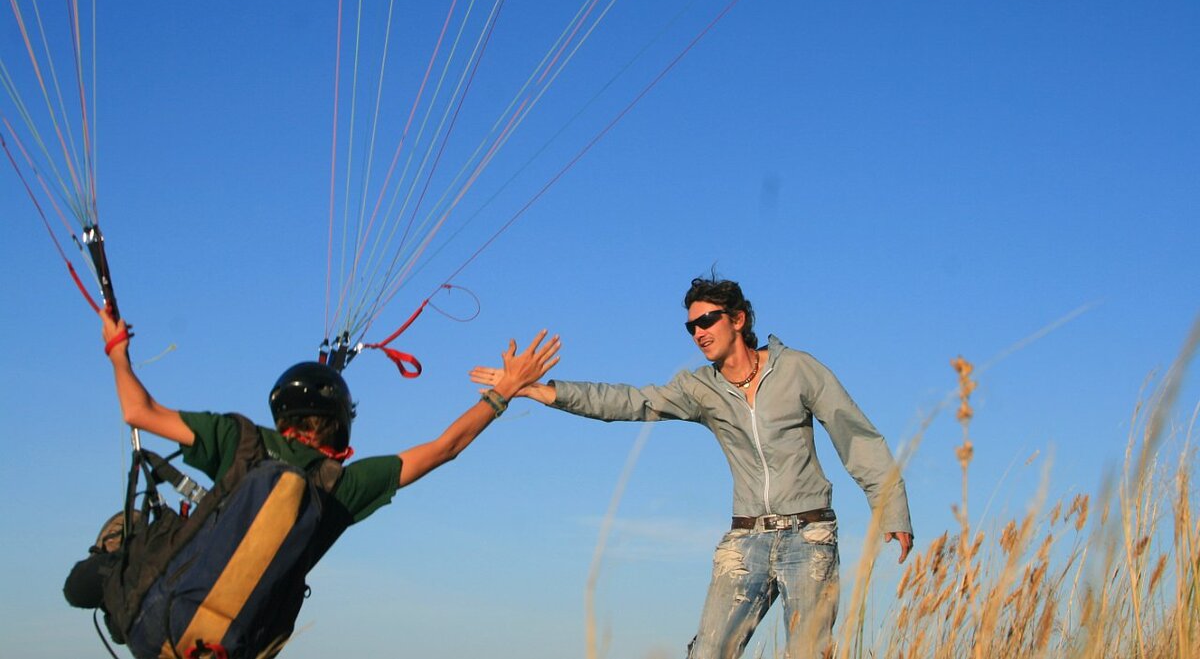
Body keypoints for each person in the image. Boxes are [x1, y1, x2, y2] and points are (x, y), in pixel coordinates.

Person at [470, 276, 912, 659]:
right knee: (708, 653)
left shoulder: (797, 369)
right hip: (746, 540)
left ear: (737, 319)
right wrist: (543, 391)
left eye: (707, 321)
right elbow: (630, 401)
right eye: (691, 326)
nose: (698, 333)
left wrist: (890, 507)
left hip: (809, 535)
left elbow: (854, 434)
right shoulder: (699, 388)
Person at [77, 306, 559, 652]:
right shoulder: (343, 486)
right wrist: (504, 392)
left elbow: (137, 411)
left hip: (157, 618)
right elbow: (444, 448)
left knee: (123, 539)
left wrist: (117, 351)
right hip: (231, 645)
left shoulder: (237, 439)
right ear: (341, 420)